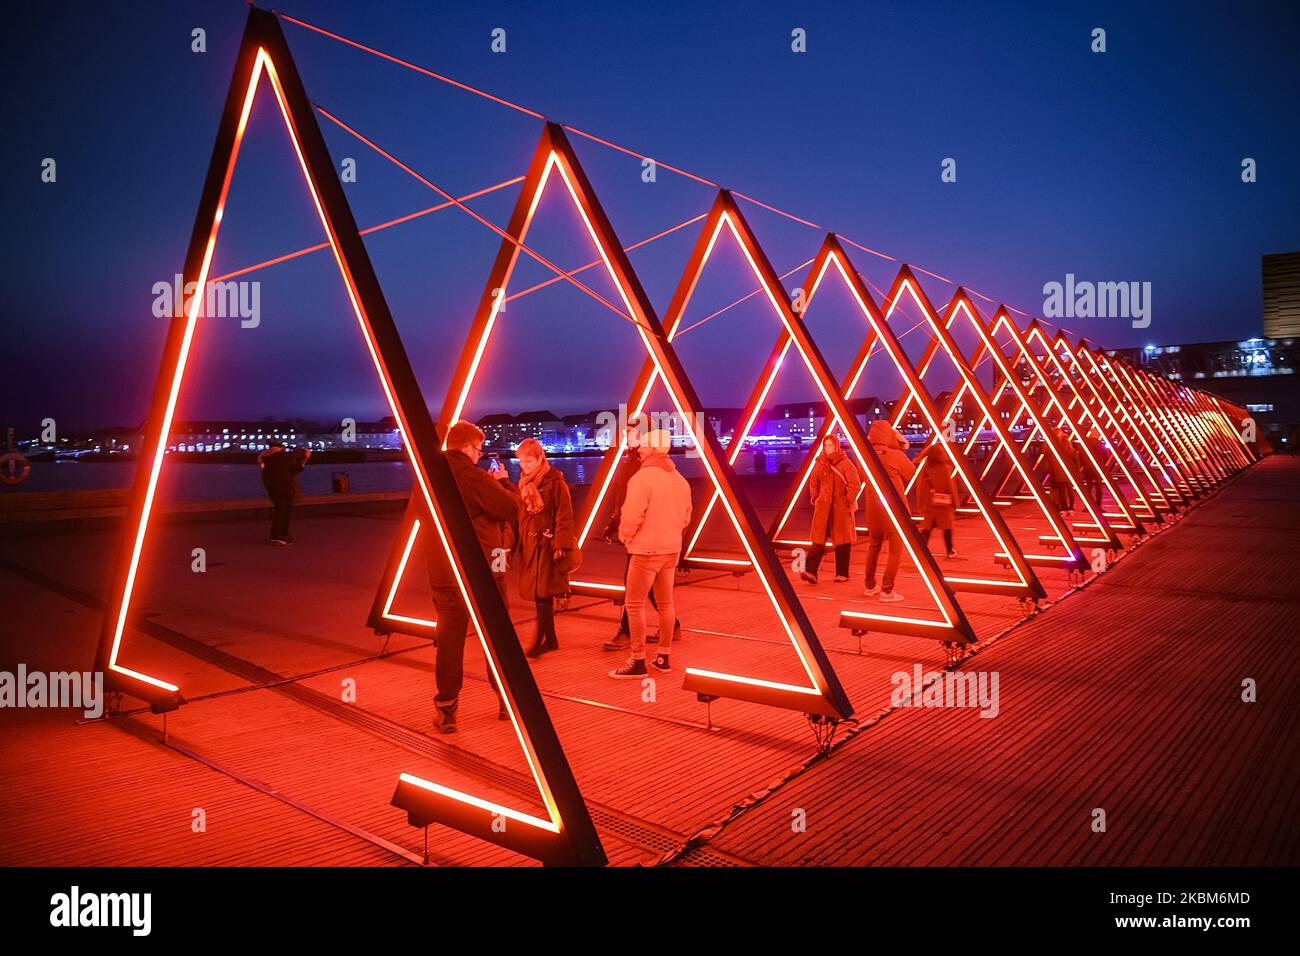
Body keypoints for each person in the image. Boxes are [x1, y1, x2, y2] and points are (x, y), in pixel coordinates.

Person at [426, 420, 521, 734]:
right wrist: (504, 483)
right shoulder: (474, 476)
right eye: (478, 449)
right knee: (496, 637)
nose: (480, 455)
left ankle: (446, 710)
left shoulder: (429, 475)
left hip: (443, 569)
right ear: (467, 447)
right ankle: (506, 701)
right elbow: (509, 508)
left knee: (450, 642)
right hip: (485, 568)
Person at [609, 429, 692, 679]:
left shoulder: (642, 478)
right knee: (666, 603)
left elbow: (632, 515)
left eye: (643, 446)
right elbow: (686, 515)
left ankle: (638, 661)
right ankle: (663, 657)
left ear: (653, 449)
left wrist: (626, 537)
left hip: (646, 550)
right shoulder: (679, 479)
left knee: (634, 605)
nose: (639, 450)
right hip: (671, 548)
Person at [515, 438, 575, 659]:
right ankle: (550, 639)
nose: (524, 466)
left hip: (548, 546)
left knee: (542, 593)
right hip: (531, 545)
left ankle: (540, 640)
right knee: (542, 593)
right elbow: (518, 516)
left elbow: (564, 516)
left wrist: (561, 545)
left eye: (529, 461)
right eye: (521, 461)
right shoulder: (523, 484)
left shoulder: (555, 483)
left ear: (540, 458)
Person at [862, 419, 916, 602]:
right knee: (895, 548)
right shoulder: (895, 455)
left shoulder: (866, 456)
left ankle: (870, 586)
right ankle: (887, 590)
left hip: (872, 508)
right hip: (893, 509)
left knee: (874, 544)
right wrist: (901, 448)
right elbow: (911, 473)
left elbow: (862, 477)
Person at [800, 434, 863, 583]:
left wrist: (847, 500)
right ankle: (810, 572)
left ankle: (842, 573)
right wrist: (815, 497)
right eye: (826, 445)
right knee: (818, 540)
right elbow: (813, 481)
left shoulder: (846, 463)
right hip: (823, 508)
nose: (828, 448)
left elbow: (855, 484)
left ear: (836, 446)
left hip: (840, 508)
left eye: (831, 445)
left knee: (842, 541)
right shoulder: (820, 463)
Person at [258, 440, 311, 544]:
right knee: (283, 512)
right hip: (284, 489)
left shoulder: (266, 458)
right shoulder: (282, 457)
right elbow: (297, 463)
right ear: (281, 447)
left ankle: (282, 535)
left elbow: (292, 469)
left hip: (273, 489)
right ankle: (278, 536)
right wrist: (306, 456)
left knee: (281, 511)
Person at [916, 443, 958, 558]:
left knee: (927, 528)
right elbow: (950, 486)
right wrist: (954, 503)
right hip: (943, 503)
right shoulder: (945, 467)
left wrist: (921, 504)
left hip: (929, 504)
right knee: (947, 527)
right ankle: (949, 551)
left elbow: (921, 488)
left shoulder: (925, 469)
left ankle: (922, 550)